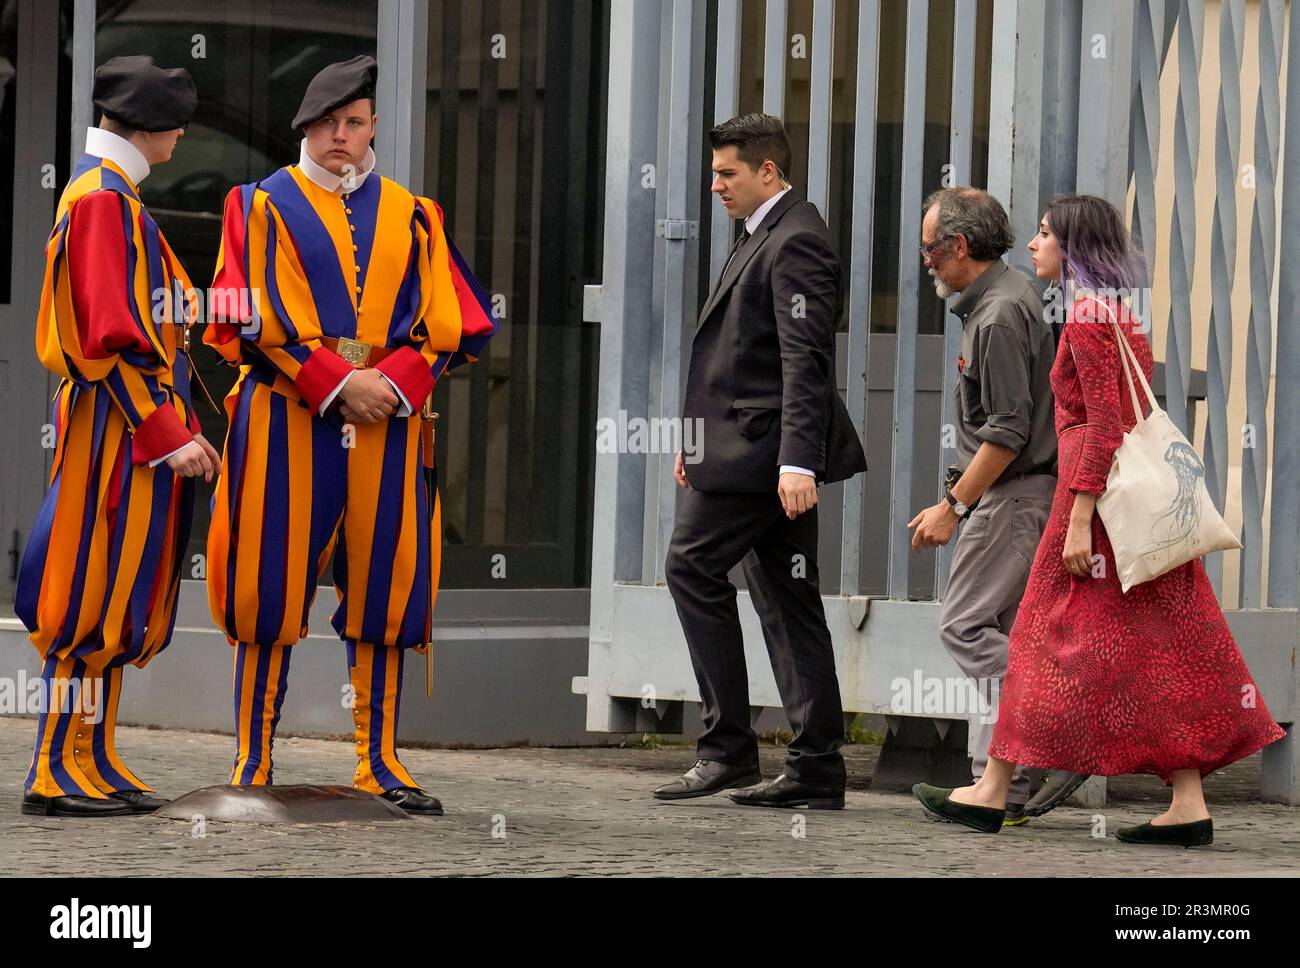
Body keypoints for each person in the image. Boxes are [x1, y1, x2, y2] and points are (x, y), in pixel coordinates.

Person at [911, 194, 1286, 845]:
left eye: (1045, 234)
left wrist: (1081, 517)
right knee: (1163, 650)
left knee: (1036, 643)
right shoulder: (1118, 313)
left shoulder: (1085, 317)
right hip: (1133, 515)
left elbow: (1105, 425)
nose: (1033, 244)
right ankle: (1187, 801)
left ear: (1073, 247)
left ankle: (996, 788)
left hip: (1093, 506)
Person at [203, 55, 497, 815]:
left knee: (387, 586)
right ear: (305, 126)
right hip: (286, 417)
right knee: (269, 584)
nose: (341, 135)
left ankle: (379, 761)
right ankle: (252, 759)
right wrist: (337, 382)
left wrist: (394, 384)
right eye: (328, 122)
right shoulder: (257, 204)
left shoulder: (414, 213)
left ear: (373, 128)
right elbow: (247, 315)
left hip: (389, 424)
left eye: (355, 122)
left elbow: (450, 321)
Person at [17, 56, 218, 817]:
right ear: (153, 127)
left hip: (123, 425)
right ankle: (53, 765)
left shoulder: (107, 194)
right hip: (116, 427)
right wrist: (164, 430)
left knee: (117, 592)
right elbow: (109, 337)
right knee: (87, 587)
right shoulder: (104, 200)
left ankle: (90, 754)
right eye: (176, 124)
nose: (181, 138)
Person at [655, 113, 867, 809]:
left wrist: (797, 463)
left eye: (728, 173)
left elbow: (806, 362)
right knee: (787, 598)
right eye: (715, 172)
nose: (715, 185)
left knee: (690, 567)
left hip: (765, 457)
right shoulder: (764, 231)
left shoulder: (796, 239)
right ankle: (816, 769)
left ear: (768, 171)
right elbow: (737, 359)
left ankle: (727, 750)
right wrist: (697, 443)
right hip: (747, 450)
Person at [907, 187, 1057, 826]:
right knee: (1005, 633)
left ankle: (1055, 717)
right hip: (1023, 495)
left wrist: (952, 505)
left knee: (964, 626)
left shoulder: (997, 315)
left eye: (929, 249)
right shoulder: (1005, 298)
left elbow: (1007, 432)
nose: (926, 262)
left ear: (959, 246)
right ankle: (1002, 788)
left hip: (1012, 496)